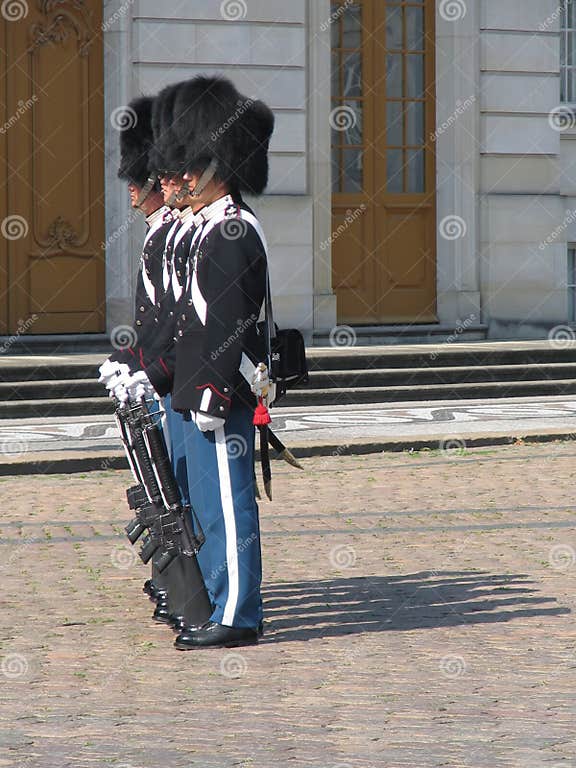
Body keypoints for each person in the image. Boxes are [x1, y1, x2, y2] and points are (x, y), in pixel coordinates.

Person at [166, 76, 275, 649]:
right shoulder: (209, 227)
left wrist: (210, 391)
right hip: (201, 386)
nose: (181, 179)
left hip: (222, 390)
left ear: (220, 166)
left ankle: (239, 613)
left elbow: (227, 319)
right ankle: (216, 598)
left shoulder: (231, 228)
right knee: (207, 505)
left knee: (229, 508)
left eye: (193, 167)